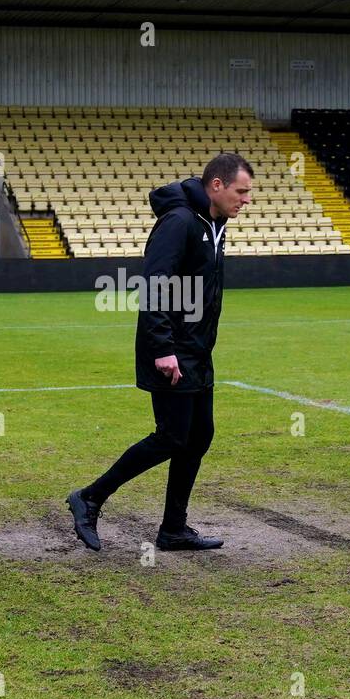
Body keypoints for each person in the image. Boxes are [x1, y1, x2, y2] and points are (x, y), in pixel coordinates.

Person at [67, 152, 254, 551]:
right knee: (172, 436)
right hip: (171, 349)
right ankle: (89, 497)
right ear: (217, 185)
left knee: (199, 435)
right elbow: (154, 285)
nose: (247, 200)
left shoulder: (214, 222)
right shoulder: (179, 222)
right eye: (242, 191)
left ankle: (173, 529)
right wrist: (163, 347)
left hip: (198, 350)